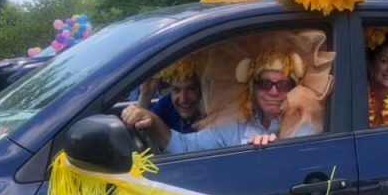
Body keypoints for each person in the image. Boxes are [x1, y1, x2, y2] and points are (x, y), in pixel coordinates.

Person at [122, 49, 315, 153]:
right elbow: (187, 146)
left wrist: (272, 150)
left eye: (282, 85)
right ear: (253, 89)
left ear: (294, 88)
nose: (273, 92)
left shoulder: (306, 124)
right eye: (264, 83)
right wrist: (153, 121)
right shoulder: (237, 124)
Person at [136, 56, 203, 134]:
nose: (183, 99)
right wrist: (146, 95)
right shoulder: (167, 105)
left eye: (191, 89)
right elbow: (140, 131)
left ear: (203, 88)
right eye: (176, 90)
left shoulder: (214, 112)